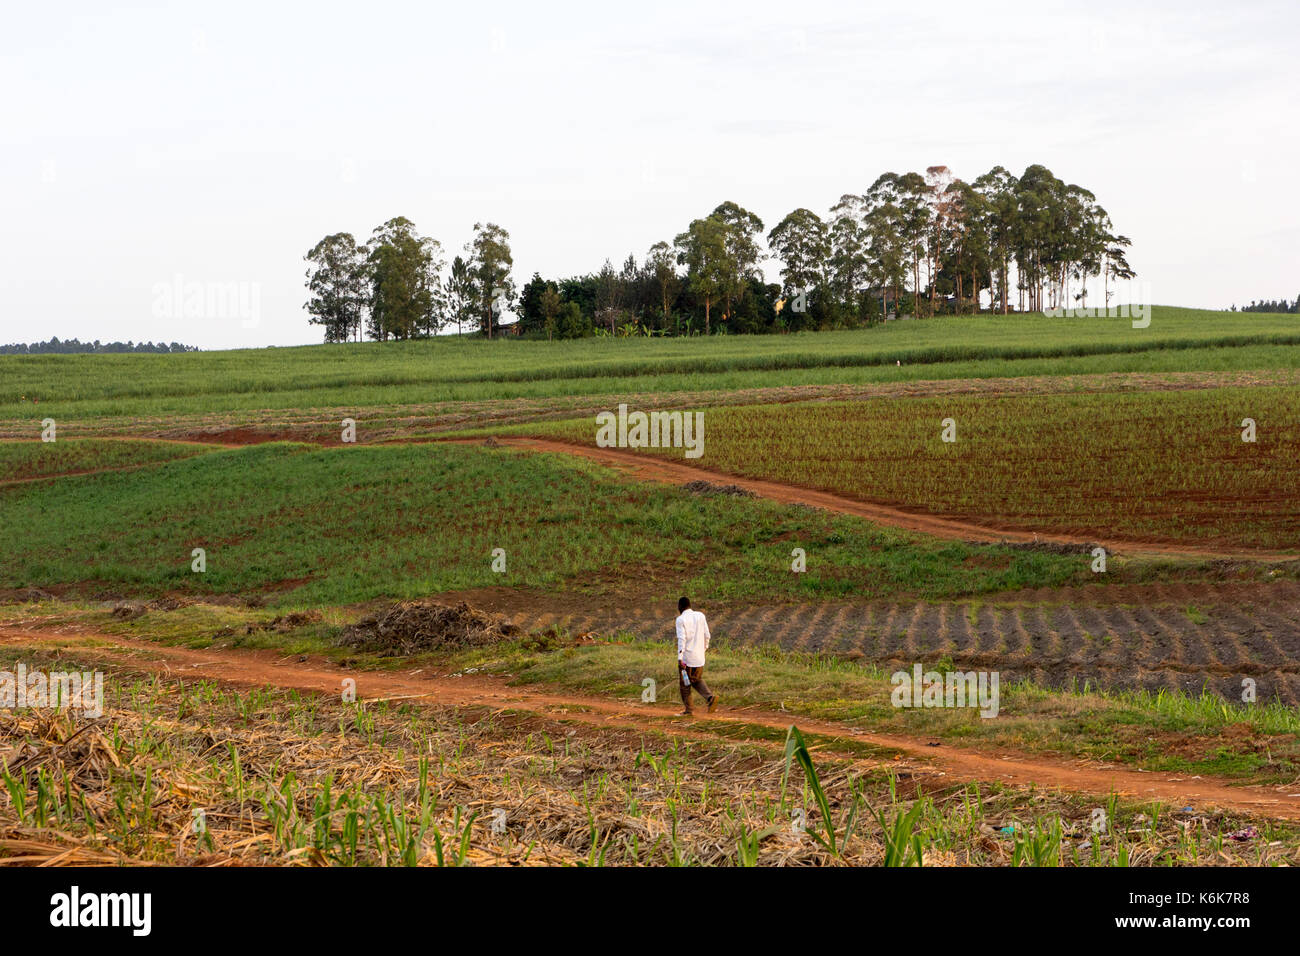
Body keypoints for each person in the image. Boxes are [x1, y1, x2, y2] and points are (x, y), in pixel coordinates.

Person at [674, 596, 718, 716]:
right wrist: (703, 649)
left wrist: (680, 658)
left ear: (680, 607)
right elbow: (707, 635)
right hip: (699, 657)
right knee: (696, 680)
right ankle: (710, 698)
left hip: (687, 659)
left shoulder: (680, 619)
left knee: (685, 684)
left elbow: (682, 639)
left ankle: (689, 710)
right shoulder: (700, 616)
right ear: (689, 605)